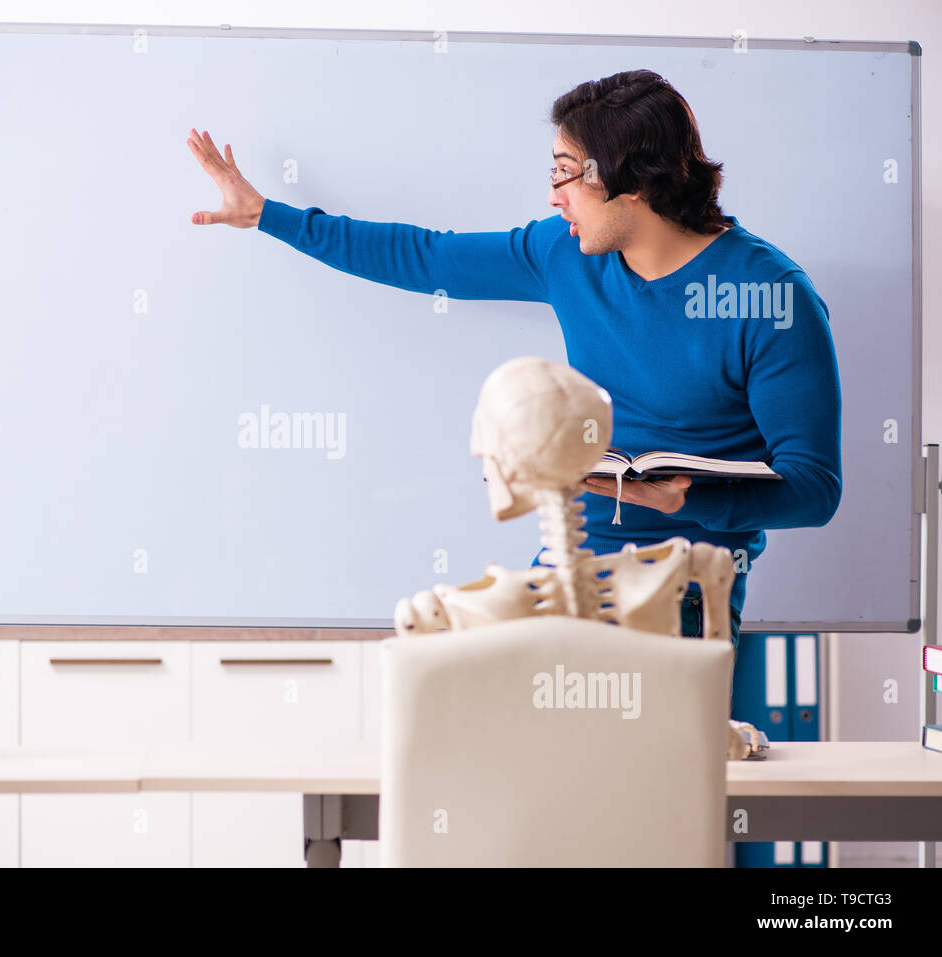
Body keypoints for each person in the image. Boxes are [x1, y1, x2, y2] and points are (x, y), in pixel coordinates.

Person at [186, 69, 843, 650]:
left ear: (629, 182)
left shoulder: (771, 298)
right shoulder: (565, 253)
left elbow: (814, 489)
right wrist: (267, 215)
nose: (554, 196)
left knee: (635, 774)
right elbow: (425, 256)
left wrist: (688, 499)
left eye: (564, 172)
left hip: (687, 591)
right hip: (573, 566)